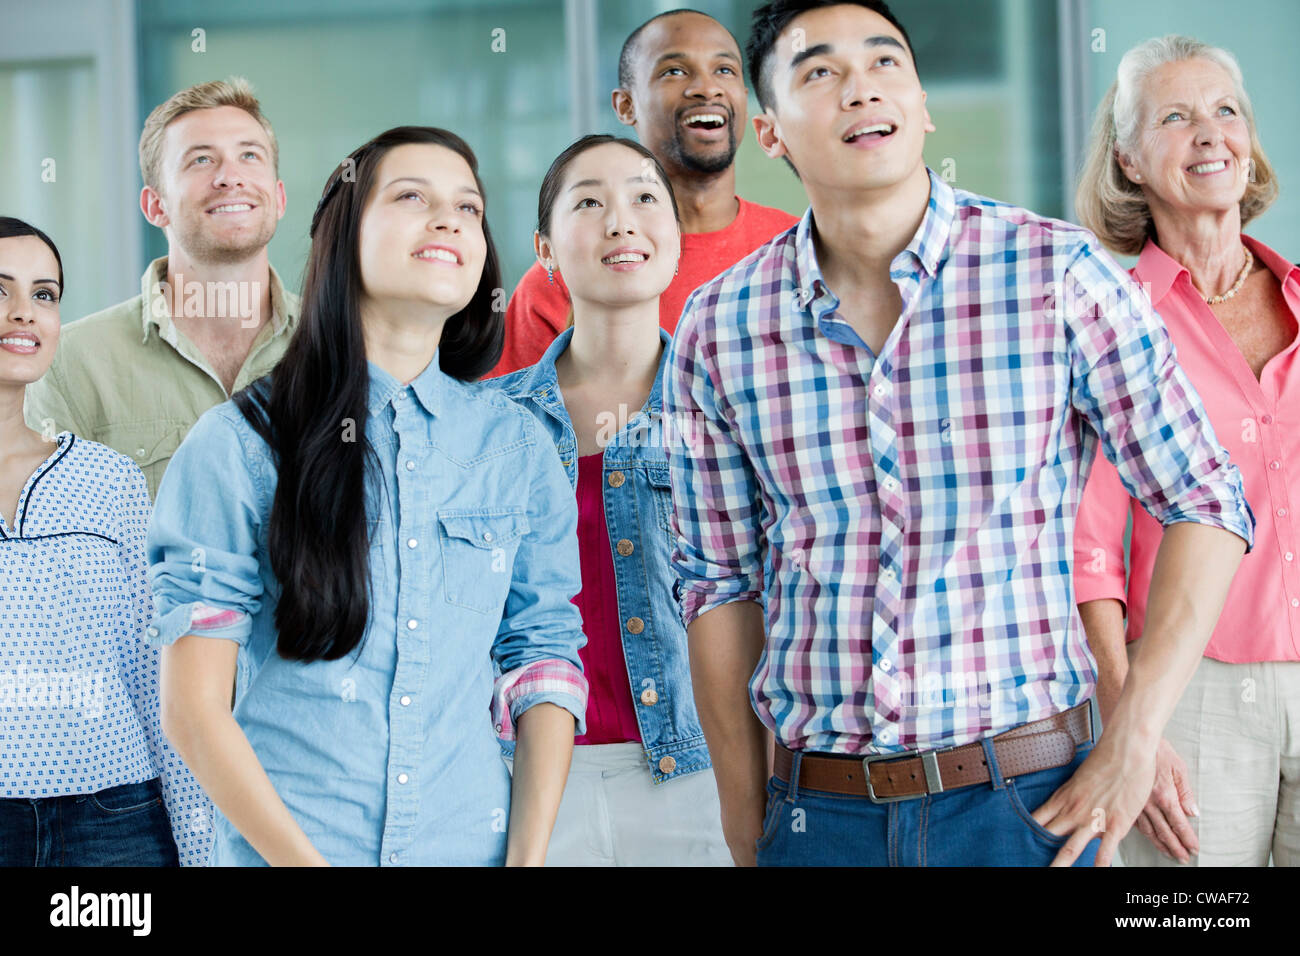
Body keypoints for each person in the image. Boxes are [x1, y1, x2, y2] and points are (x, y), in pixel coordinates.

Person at [663, 0, 1255, 868]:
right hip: (817, 815)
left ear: (923, 106)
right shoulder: (720, 326)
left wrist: (1134, 736)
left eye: (884, 62)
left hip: (1029, 807)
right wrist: (745, 818)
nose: (860, 89)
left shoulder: (1059, 274)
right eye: (818, 72)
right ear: (771, 133)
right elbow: (718, 585)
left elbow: (1206, 499)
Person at [145, 127, 588, 867]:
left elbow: (544, 659)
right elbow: (193, 711)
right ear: (343, 236)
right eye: (412, 197)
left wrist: (526, 858)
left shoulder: (516, 446)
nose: (449, 219)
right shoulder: (238, 444)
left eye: (469, 208)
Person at [1073, 35, 1299, 867]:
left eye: (1225, 111)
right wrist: (1135, 724)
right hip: (1188, 690)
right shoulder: (1109, 320)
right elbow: (1085, 551)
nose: (1210, 134)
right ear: (1128, 160)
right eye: (1176, 117)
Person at [493, 135, 731, 865]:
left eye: (643, 198)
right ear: (546, 248)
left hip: (700, 780)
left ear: (674, 232)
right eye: (589, 202)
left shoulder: (729, 410)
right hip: (524, 785)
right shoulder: (490, 424)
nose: (621, 221)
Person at [0, 217, 208, 867]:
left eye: (44, 294)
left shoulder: (109, 478)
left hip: (113, 822)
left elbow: (155, 678)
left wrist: (199, 847)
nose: (23, 313)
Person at [25, 77, 299, 500]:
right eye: (201, 160)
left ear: (278, 198)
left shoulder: (342, 343)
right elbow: (55, 547)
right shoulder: (69, 366)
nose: (231, 176)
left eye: (249, 155)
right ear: (156, 206)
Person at [490, 8, 798, 377]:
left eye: (725, 70)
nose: (707, 87)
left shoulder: (800, 248)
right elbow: (507, 420)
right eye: (674, 71)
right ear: (625, 105)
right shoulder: (572, 270)